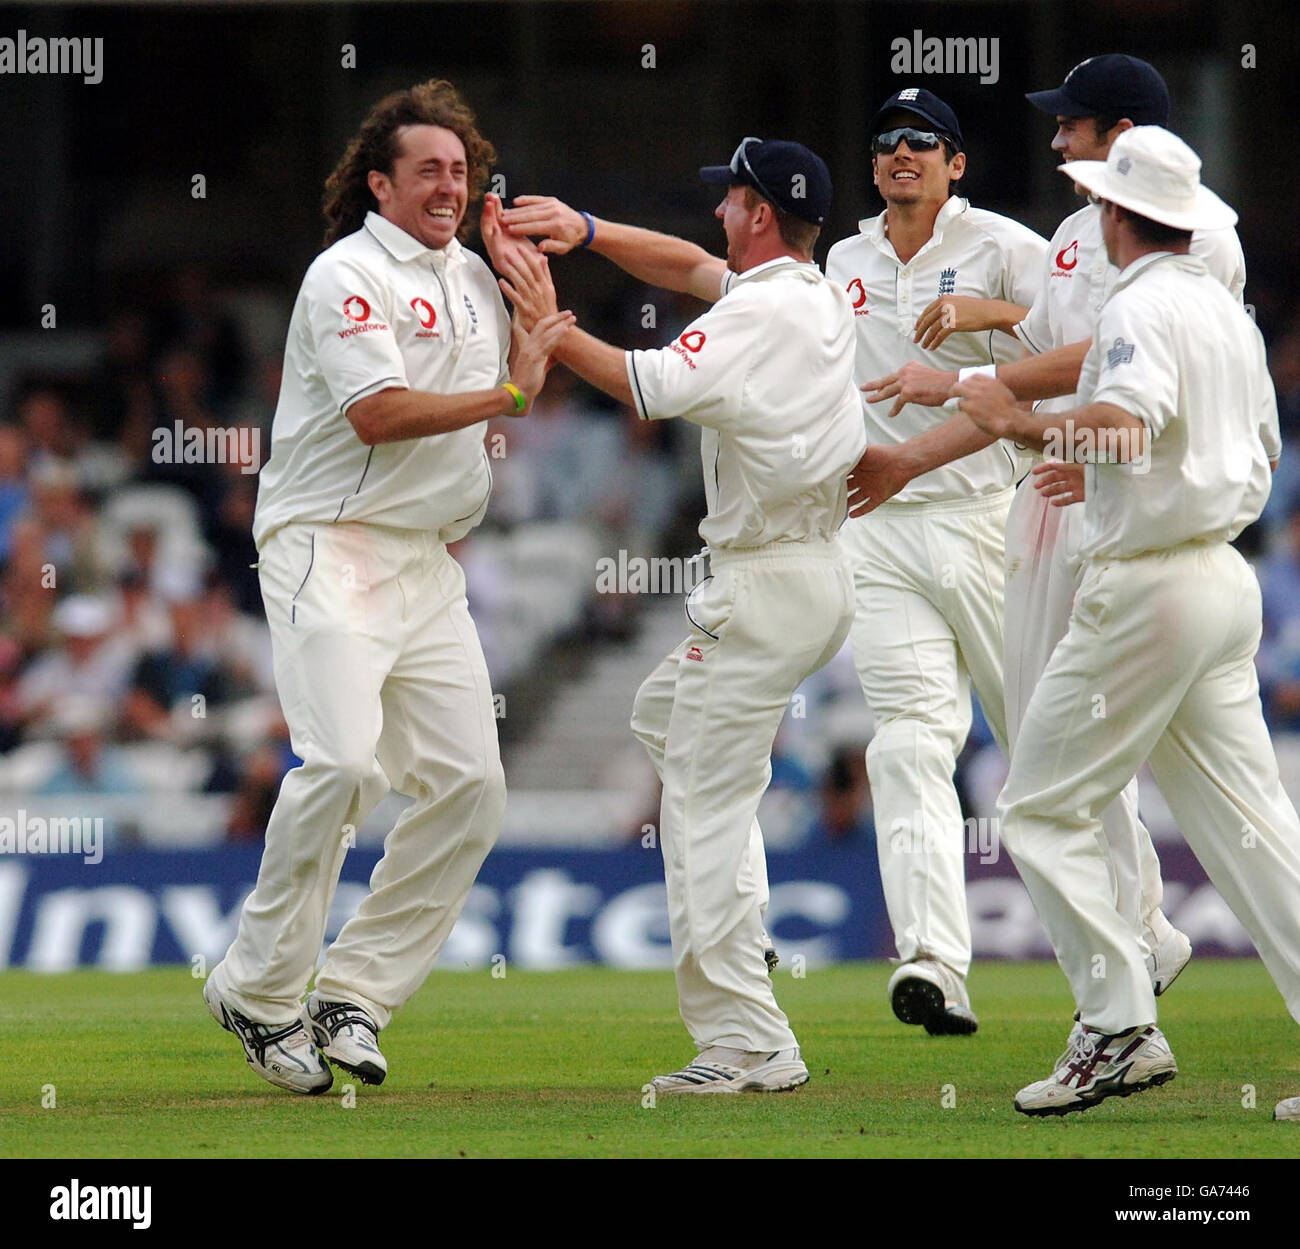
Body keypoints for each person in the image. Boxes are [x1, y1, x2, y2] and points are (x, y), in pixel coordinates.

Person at [852, 57, 1250, 1012]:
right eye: (886, 144)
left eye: (1069, 123)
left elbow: (1135, 363)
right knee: (939, 743)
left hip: (1064, 515)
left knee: (1066, 746)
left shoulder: (1193, 235)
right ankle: (966, 964)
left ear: (1118, 132)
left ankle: (1138, 940)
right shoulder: (1073, 237)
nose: (1054, 138)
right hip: (985, 512)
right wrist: (911, 455)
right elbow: (1046, 362)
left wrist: (1002, 393)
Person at [203, 79, 573, 1095]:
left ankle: (353, 991)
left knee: (472, 787)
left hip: (424, 560)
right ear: (381, 181)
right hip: (330, 543)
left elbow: (535, 368)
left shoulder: (474, 274)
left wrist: (540, 314)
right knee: (343, 764)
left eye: (461, 171)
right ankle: (257, 989)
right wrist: (510, 389)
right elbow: (378, 414)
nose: (449, 186)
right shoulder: (347, 274)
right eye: (428, 171)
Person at [490, 138, 865, 1093]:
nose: (716, 217)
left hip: (765, 582)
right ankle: (749, 947)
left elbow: (646, 387)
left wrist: (542, 319)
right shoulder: (810, 293)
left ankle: (747, 1041)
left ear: (759, 213)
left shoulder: (762, 314)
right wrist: (587, 231)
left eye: (728, 200)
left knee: (696, 805)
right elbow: (692, 269)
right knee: (667, 723)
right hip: (810, 574)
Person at [955, 126, 1300, 1120]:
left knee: (1036, 804)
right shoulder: (1223, 313)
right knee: (1251, 826)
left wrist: (1019, 425)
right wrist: (1135, 471)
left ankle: (1115, 1026)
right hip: (1220, 579)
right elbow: (1259, 448)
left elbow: (1126, 426)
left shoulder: (1138, 309)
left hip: (1145, 583)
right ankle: (1120, 1021)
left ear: (1115, 216)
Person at [825, 88, 1047, 1034]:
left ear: (957, 163)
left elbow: (1089, 332)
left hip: (985, 514)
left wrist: (980, 311)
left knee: (1044, 740)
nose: (903, 152)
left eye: (924, 141)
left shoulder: (1003, 241)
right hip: (877, 521)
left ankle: (1147, 923)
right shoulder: (845, 257)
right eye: (887, 142)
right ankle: (933, 962)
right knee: (911, 742)